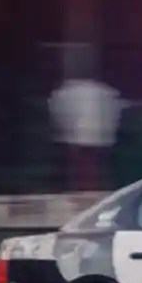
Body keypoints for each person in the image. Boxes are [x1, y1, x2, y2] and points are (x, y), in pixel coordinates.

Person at [49, 56, 123, 195]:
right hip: (97, 139)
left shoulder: (65, 92)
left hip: (80, 139)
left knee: (86, 168)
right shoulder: (107, 93)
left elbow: (58, 114)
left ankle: (87, 190)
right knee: (89, 168)